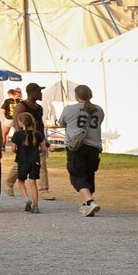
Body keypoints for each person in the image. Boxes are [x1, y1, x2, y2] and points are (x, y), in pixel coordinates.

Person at [59, 85, 105, 216]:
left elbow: (62, 123)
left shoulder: (69, 109)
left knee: (77, 175)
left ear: (76, 96)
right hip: (94, 146)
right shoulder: (99, 109)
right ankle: (87, 204)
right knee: (89, 174)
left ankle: (90, 202)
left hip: (77, 146)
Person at [9, 110, 45, 213]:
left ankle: (26, 199)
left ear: (22, 122)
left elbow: (13, 149)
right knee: (33, 183)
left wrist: (19, 152)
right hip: (35, 161)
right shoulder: (38, 134)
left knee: (21, 180)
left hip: (22, 161)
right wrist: (37, 152)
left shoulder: (17, 134)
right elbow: (43, 149)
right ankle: (36, 206)